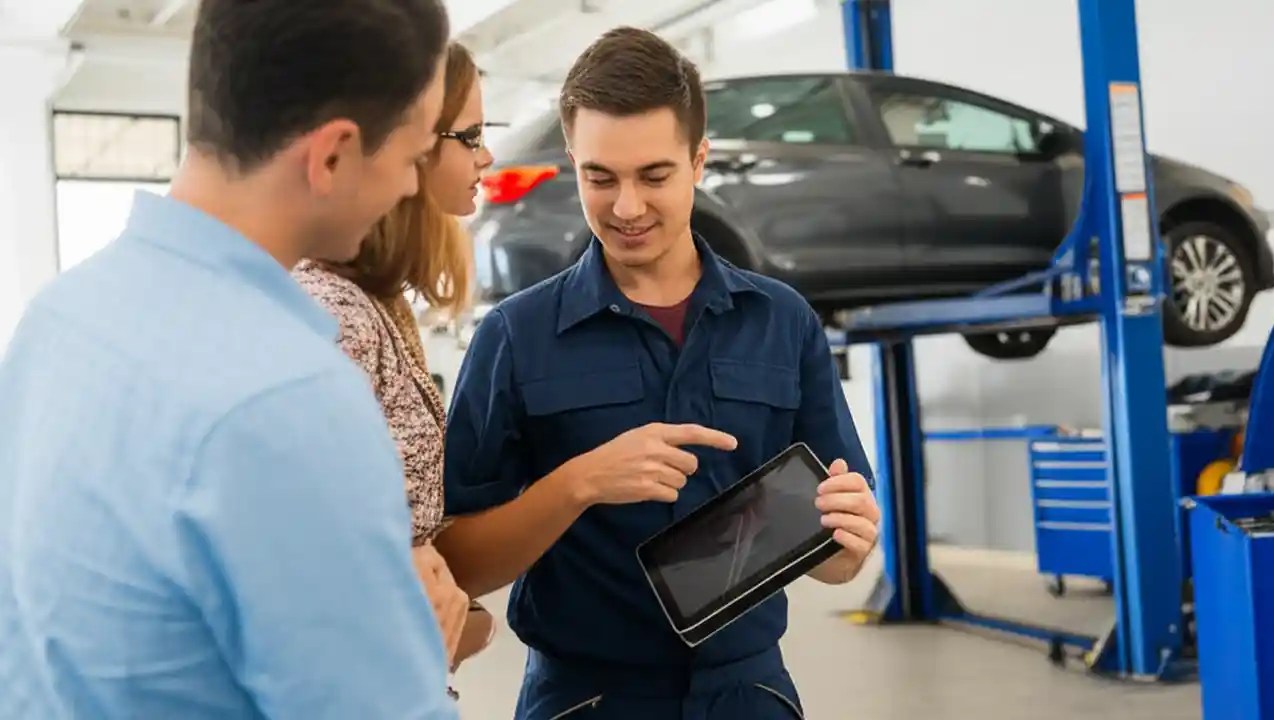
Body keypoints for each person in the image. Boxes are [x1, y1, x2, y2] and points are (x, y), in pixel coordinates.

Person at [0, 2, 463, 718]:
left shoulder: (58, 318)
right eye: (411, 156)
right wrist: (420, 648)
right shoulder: (293, 397)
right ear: (333, 156)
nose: (410, 187)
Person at [437, 26, 883, 720]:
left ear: (698, 160)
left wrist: (849, 538)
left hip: (748, 694)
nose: (627, 208)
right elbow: (457, 562)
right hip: (586, 699)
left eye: (654, 176)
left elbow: (836, 557)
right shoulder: (516, 337)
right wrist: (578, 484)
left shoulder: (782, 322)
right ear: (573, 163)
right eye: (600, 178)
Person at [293, 41, 497, 672]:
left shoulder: (380, 305)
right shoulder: (335, 316)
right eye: (470, 137)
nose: (486, 156)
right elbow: (308, 572)